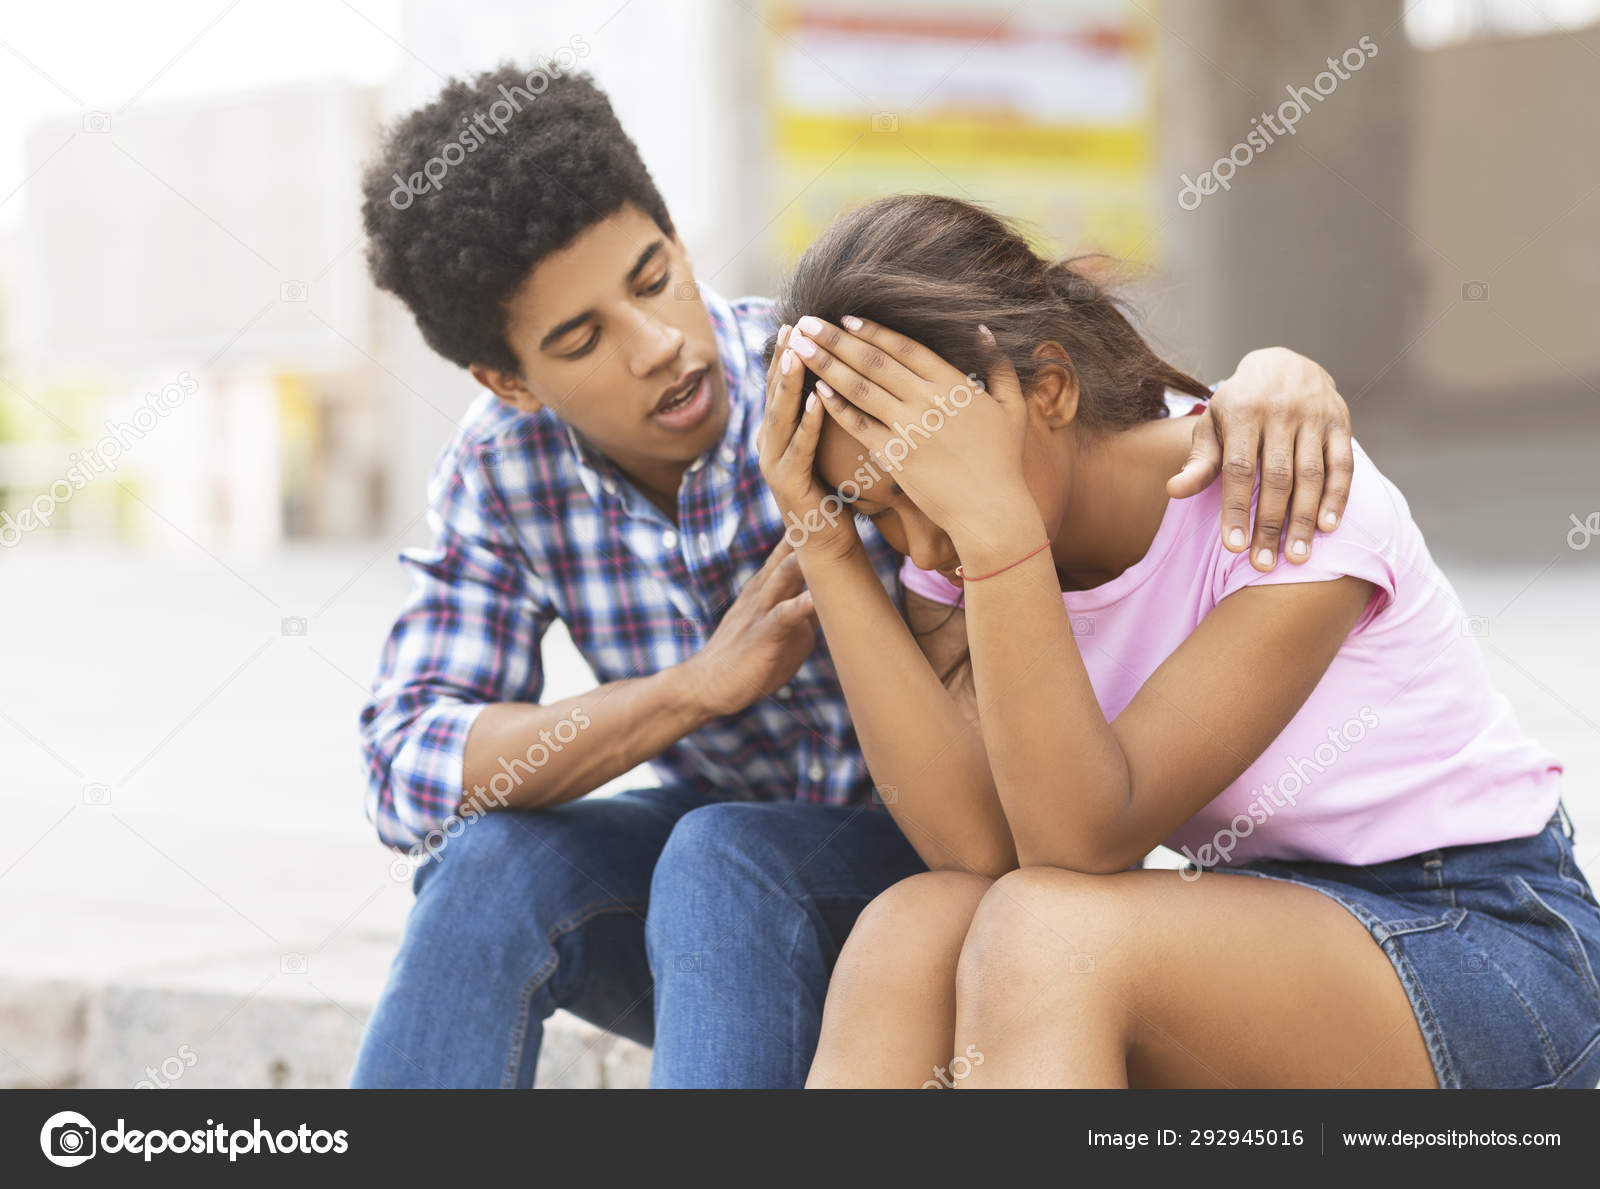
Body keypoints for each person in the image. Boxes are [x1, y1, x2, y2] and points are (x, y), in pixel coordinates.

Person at [351, 66, 1358, 1088]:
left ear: (678, 240)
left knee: (722, 853)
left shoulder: (840, 383)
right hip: (719, 938)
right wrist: (692, 689)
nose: (656, 347)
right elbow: (406, 767)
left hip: (926, 887)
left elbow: (1059, 407)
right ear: (510, 381)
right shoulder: (499, 472)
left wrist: (1270, 380)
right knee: (490, 866)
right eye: (581, 338)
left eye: (653, 279)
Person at [759, 193, 1600, 1090]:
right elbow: (979, 853)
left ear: (1049, 388)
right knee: (914, 926)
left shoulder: (1280, 492)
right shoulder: (954, 553)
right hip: (1253, 926)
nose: (924, 548)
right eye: (882, 512)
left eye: (927, 487)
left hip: (1484, 937)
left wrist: (998, 531)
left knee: (1048, 937)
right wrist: (830, 547)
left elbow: (1081, 845)